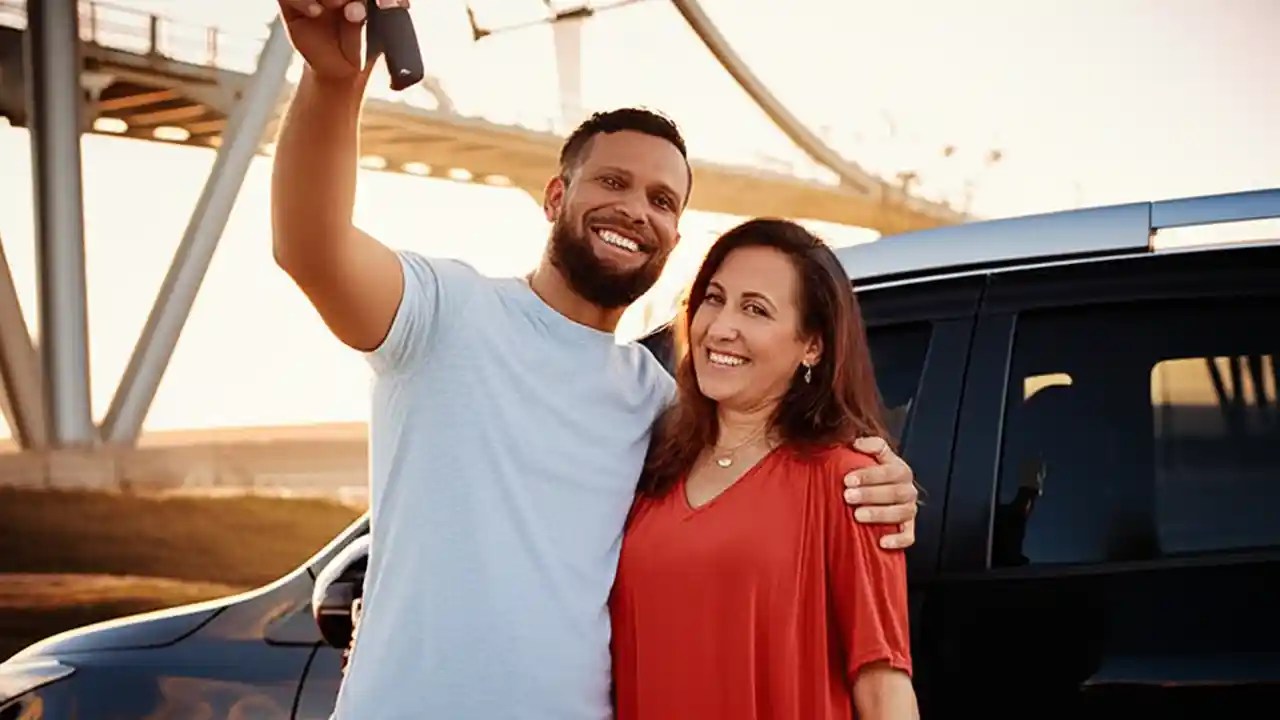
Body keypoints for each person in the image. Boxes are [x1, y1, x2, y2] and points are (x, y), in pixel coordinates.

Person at [270, 2, 920, 717]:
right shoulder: (443, 312)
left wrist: (886, 485)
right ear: (555, 196)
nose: (636, 209)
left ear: (673, 239)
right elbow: (312, 247)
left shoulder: (659, 401)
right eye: (612, 182)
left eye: (662, 199)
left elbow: (772, 461)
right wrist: (331, 83)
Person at [610, 218, 918, 719]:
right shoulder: (653, 461)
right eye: (714, 298)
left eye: (755, 309)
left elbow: (884, 687)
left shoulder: (850, 480)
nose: (721, 327)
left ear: (812, 345)